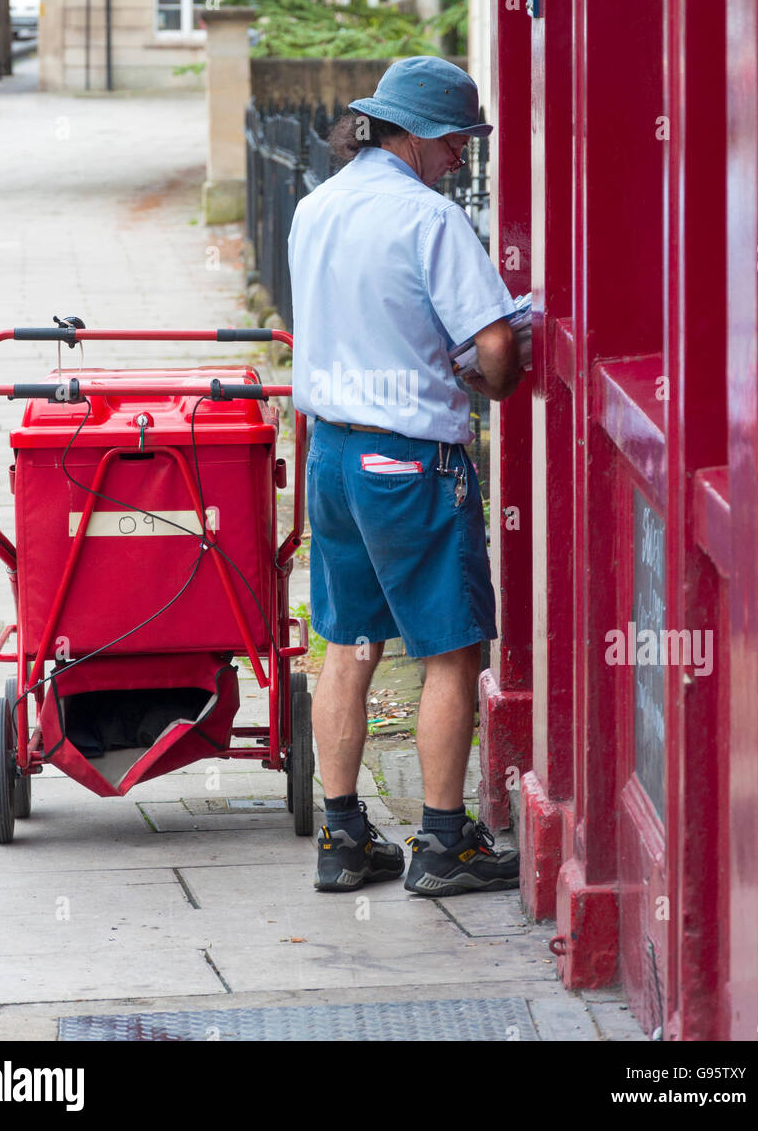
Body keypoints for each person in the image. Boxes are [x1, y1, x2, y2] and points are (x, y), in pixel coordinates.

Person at [287, 56, 524, 897]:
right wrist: (493, 383)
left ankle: (344, 838)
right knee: (452, 651)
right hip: (409, 459)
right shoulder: (426, 218)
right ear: (416, 136)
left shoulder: (315, 207)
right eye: (456, 142)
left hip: (334, 456)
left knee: (348, 641)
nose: (461, 158)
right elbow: (493, 347)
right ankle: (443, 845)